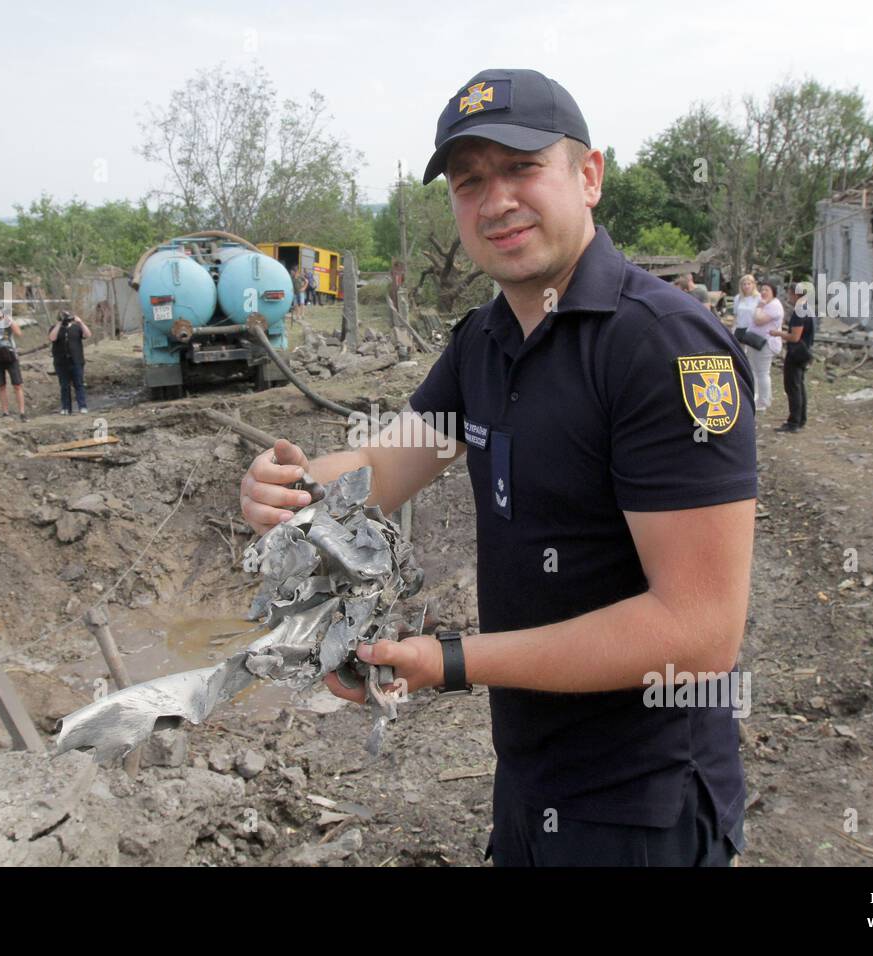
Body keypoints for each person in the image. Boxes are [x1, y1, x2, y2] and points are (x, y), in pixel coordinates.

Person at [239, 68, 756, 867]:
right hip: (529, 777)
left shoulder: (661, 346)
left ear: (589, 176)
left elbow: (699, 633)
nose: (495, 200)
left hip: (643, 803)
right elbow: (385, 462)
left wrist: (451, 661)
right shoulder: (484, 340)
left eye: (521, 168)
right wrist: (291, 490)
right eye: (469, 180)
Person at [772, 283, 815, 432]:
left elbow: (795, 337)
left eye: (789, 294)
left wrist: (778, 334)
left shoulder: (799, 312)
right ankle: (801, 418)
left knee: (793, 387)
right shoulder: (807, 309)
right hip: (803, 352)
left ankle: (794, 421)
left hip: (797, 353)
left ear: (795, 294)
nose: (788, 297)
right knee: (799, 386)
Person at [747, 280, 784, 412]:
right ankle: (755, 396)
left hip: (766, 343)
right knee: (753, 370)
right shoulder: (764, 304)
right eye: (762, 289)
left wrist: (759, 307)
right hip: (755, 341)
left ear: (773, 292)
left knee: (762, 372)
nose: (763, 292)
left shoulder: (774, 306)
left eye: (766, 290)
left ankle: (764, 401)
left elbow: (758, 320)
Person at [49, 309, 92, 415]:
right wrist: (59, 324)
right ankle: (66, 407)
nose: (66, 319)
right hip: (61, 362)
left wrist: (80, 322)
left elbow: (88, 335)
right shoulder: (54, 329)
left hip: (76, 360)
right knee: (64, 385)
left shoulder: (76, 328)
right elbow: (52, 338)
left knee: (79, 384)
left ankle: (82, 406)